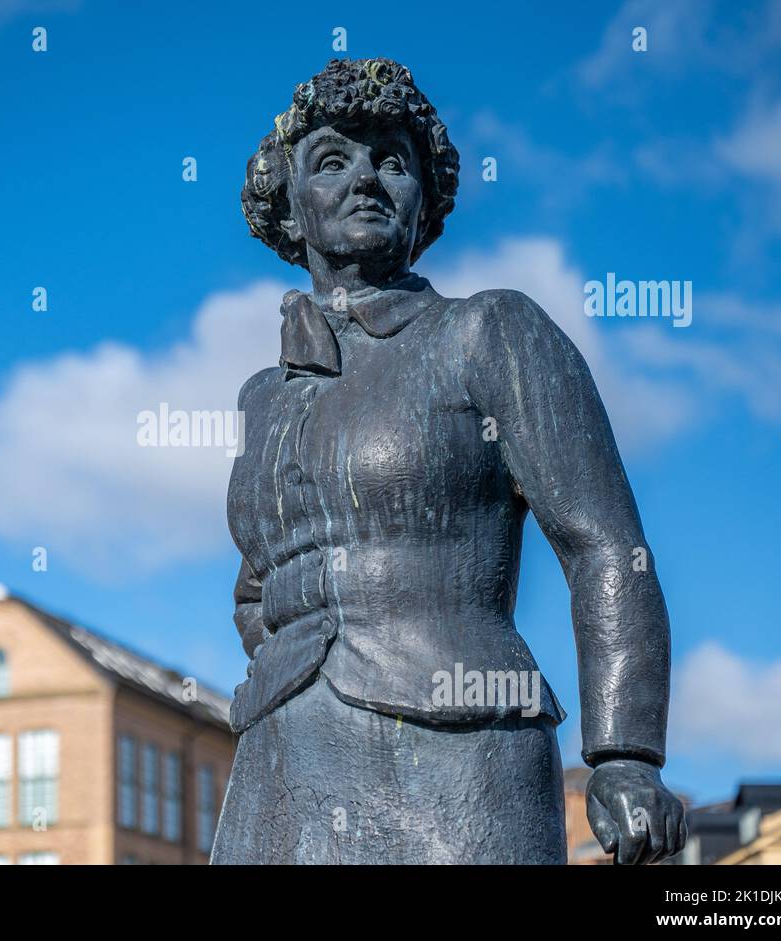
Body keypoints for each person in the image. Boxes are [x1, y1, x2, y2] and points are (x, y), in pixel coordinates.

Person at [212, 58, 686, 865]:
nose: (366, 177)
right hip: (282, 764)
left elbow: (605, 545)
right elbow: (258, 588)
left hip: (459, 748)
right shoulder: (263, 396)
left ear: (424, 201)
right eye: (333, 160)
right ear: (288, 205)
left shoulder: (490, 332)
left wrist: (624, 755)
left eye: (392, 161)